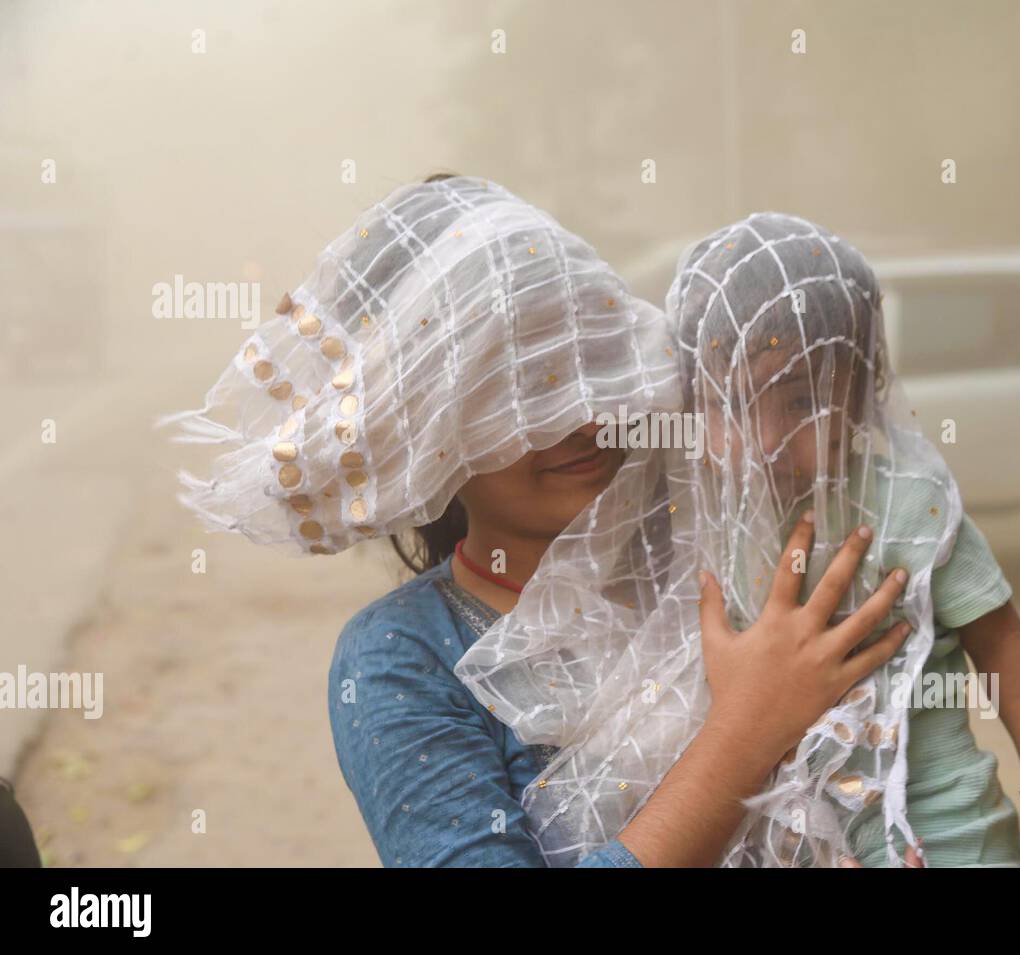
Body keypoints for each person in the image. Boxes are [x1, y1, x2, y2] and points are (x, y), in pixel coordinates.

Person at [166, 175, 912, 867]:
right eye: (525, 391)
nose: (583, 419)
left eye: (595, 364)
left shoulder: (734, 557)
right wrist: (744, 733)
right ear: (433, 432)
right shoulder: (402, 657)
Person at [461, 213, 1020, 868]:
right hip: (785, 836)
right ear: (688, 402)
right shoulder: (691, 519)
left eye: (800, 403)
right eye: (730, 405)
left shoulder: (911, 504)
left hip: (940, 824)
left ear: (861, 392)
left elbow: (1003, 640)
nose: (765, 440)